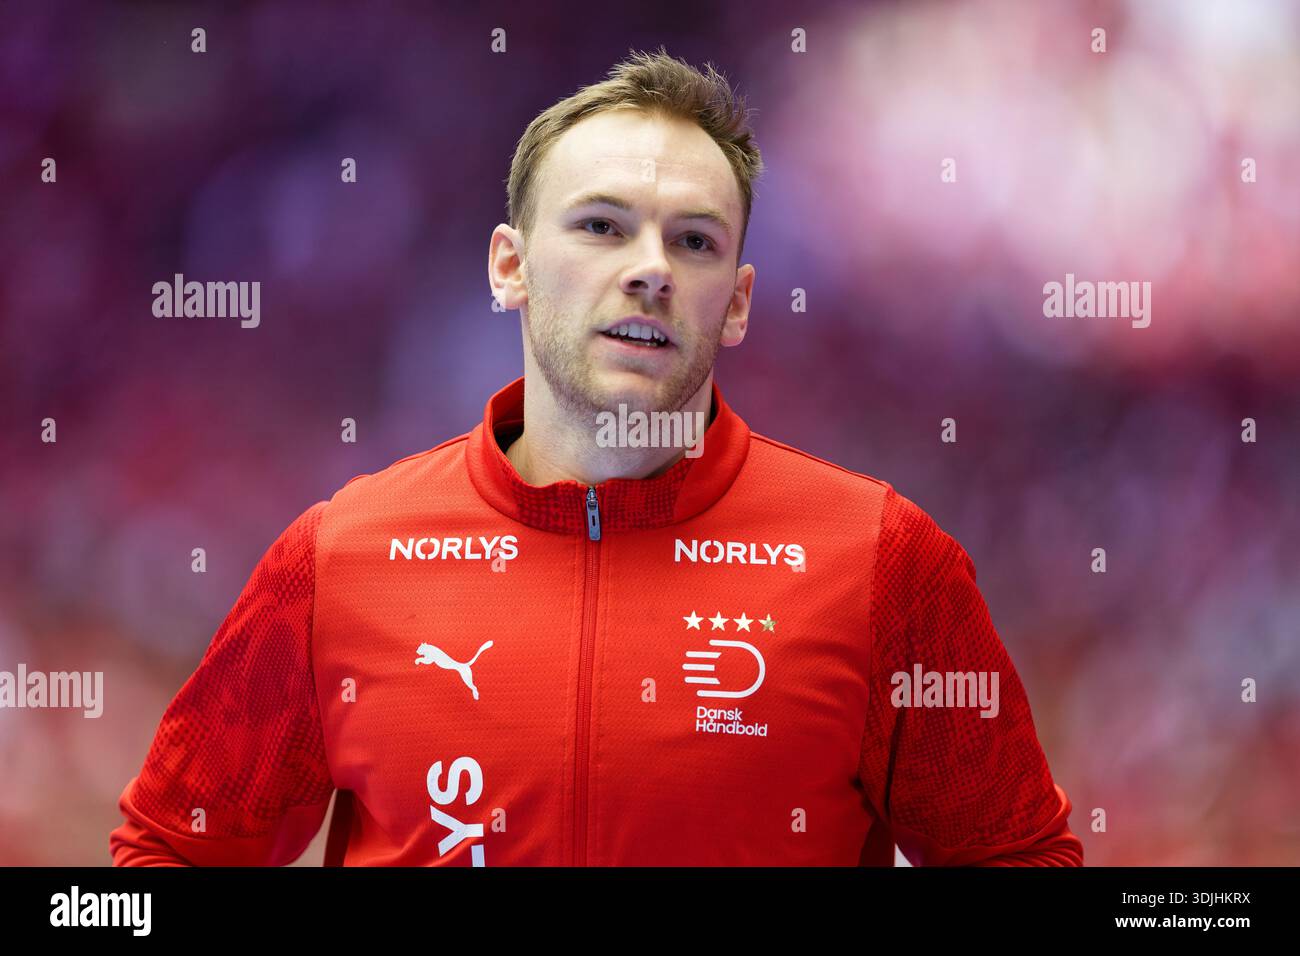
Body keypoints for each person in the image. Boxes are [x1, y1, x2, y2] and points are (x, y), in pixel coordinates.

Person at [110, 47, 1083, 866]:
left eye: (694, 241)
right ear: (510, 266)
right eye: (602, 225)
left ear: (738, 301)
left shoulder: (884, 560)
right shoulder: (342, 554)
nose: (651, 268)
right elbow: (159, 857)